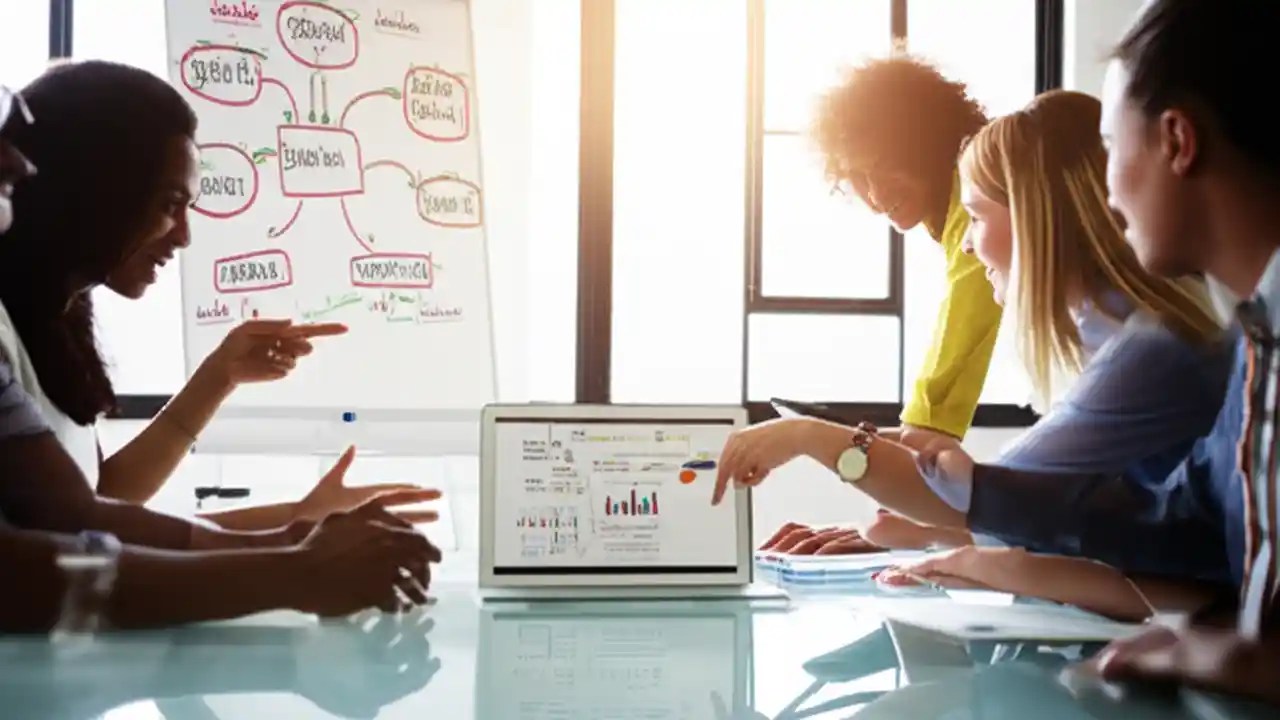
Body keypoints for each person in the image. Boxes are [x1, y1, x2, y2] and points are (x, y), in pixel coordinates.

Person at [717, 89, 1232, 582]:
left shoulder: (1146, 352)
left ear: (1036, 219)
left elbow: (972, 496)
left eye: (978, 217)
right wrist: (920, 532)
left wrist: (806, 435)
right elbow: (1012, 501)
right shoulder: (1120, 334)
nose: (964, 247)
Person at [0, 83, 442, 631]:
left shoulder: (55, 322)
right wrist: (293, 560)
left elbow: (97, 501)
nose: (183, 236)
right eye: (170, 205)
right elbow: (70, 523)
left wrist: (294, 522)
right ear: (94, 192)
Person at [764, 57, 1003, 553]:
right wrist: (900, 520)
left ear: (928, 142)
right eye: (856, 176)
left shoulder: (976, 190)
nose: (874, 196)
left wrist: (900, 514)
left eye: (883, 167)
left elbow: (953, 359)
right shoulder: (961, 215)